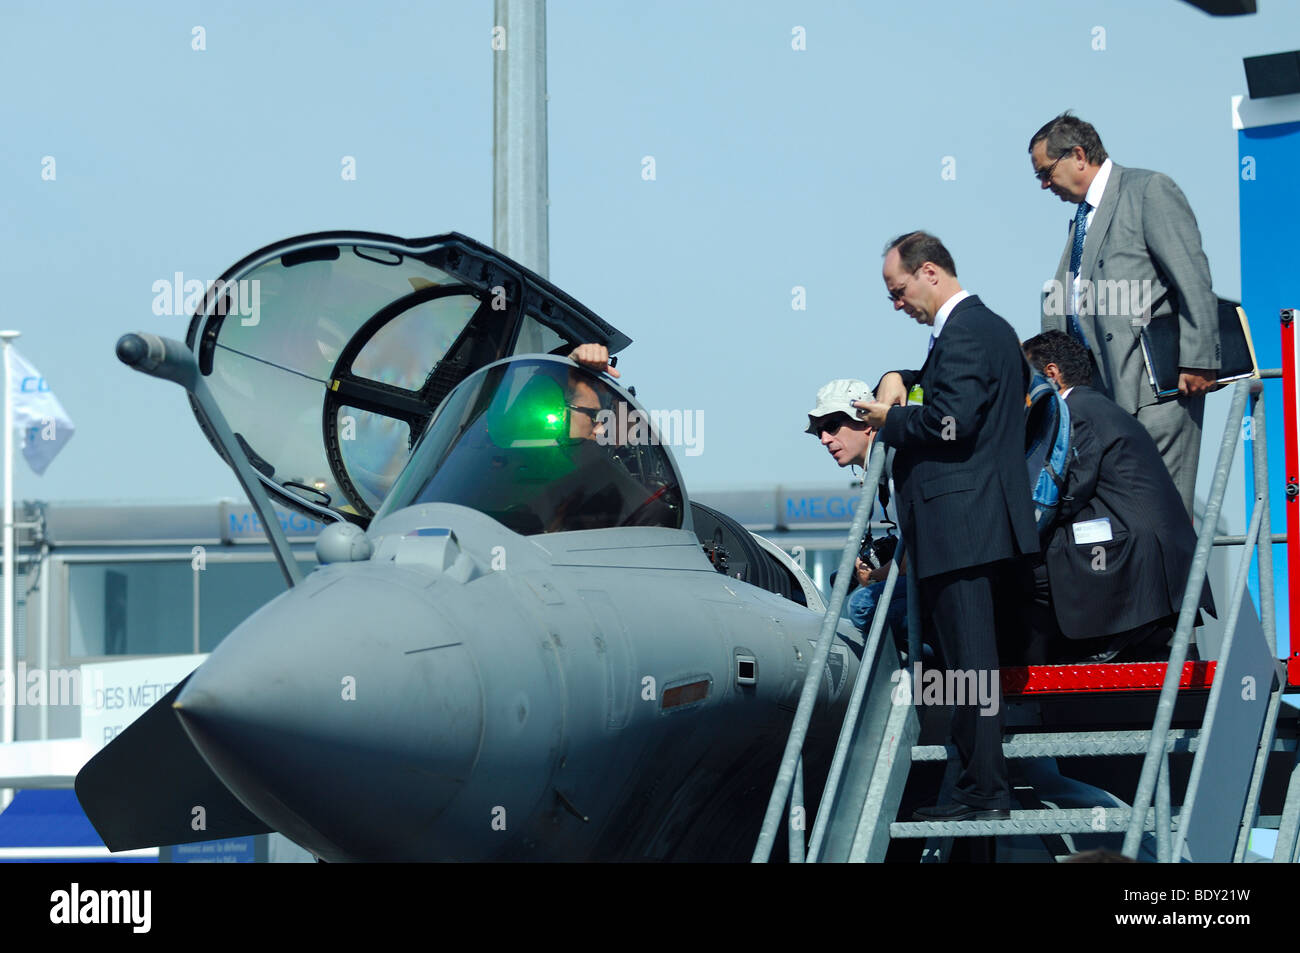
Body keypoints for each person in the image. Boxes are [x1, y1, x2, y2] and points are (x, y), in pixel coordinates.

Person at [857, 231, 1038, 823]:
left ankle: (984, 791)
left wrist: (892, 418)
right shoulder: (979, 331)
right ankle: (977, 786)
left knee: (970, 667)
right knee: (966, 664)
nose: (897, 304)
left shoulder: (966, 331)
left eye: (898, 290)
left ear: (929, 272)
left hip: (962, 527)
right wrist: (897, 374)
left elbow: (948, 422)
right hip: (970, 525)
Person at [1028, 112, 1219, 518]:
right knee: (1131, 526)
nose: (1044, 185)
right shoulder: (1082, 219)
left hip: (1156, 393)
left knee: (1163, 519)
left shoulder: (1148, 191)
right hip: (1106, 399)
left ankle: (1187, 585)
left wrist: (1200, 360)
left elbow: (1193, 279)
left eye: (1046, 172)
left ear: (1078, 155)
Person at [1021, 331, 1215, 663]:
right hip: (1144, 541)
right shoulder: (1095, 405)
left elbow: (1066, 490)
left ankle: (1113, 630)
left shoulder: (1075, 412)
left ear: (1051, 374)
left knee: (1027, 568)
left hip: (1135, 546)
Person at [804, 379, 908, 645]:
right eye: (819, 432)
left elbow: (924, 551)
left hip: (942, 580)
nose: (825, 439)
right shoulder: (887, 462)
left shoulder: (898, 463)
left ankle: (921, 675)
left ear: (867, 422)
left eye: (832, 426)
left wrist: (873, 576)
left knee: (862, 604)